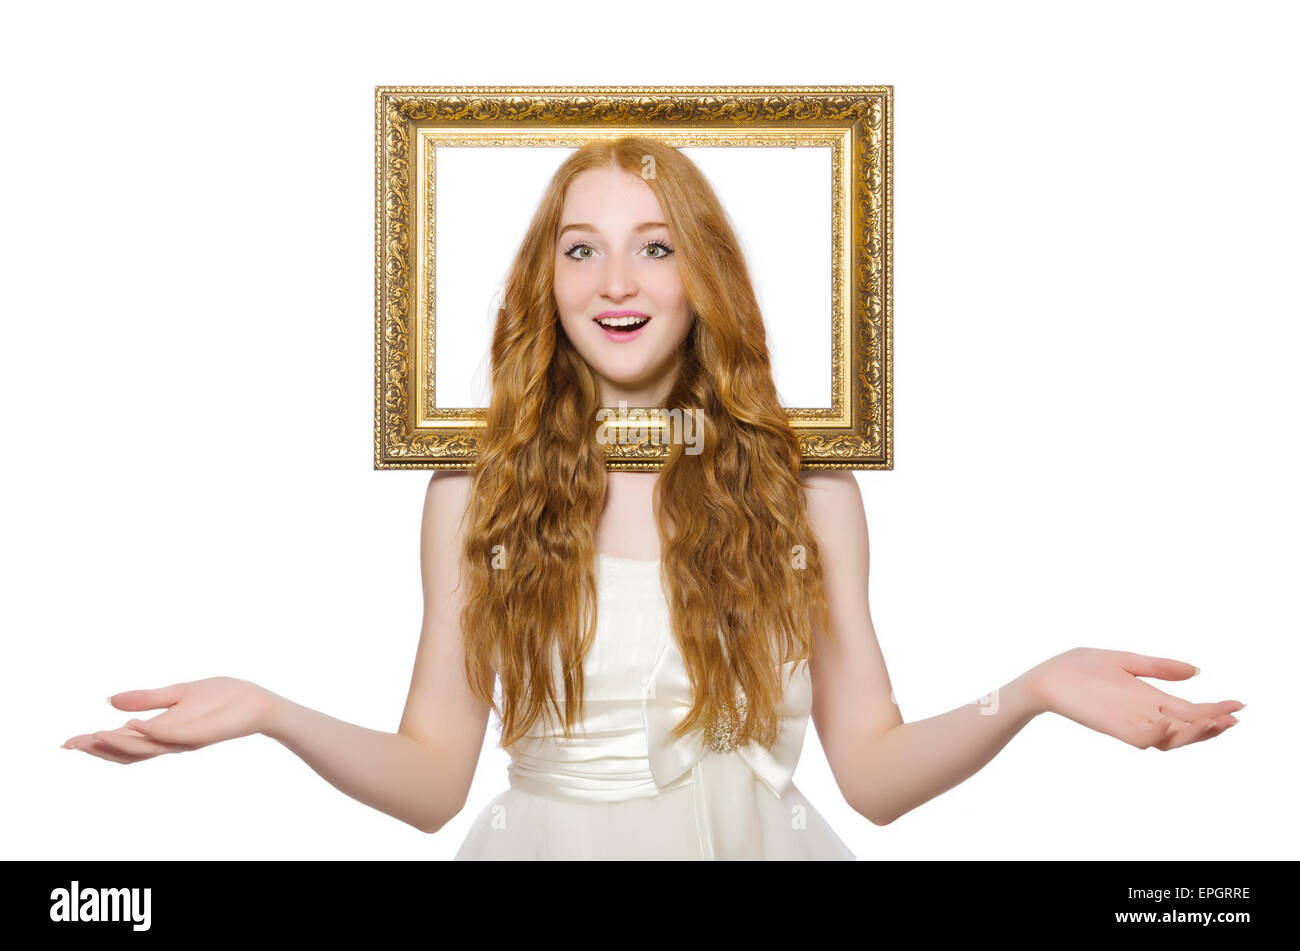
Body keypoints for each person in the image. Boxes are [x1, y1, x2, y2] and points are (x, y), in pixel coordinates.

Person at [61, 136, 1244, 861]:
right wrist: (271, 712)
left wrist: (1030, 691)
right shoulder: (476, 494)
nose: (615, 282)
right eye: (580, 249)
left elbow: (873, 778)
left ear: (703, 279)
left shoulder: (805, 488)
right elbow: (431, 784)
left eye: (654, 247)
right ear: (547, 281)